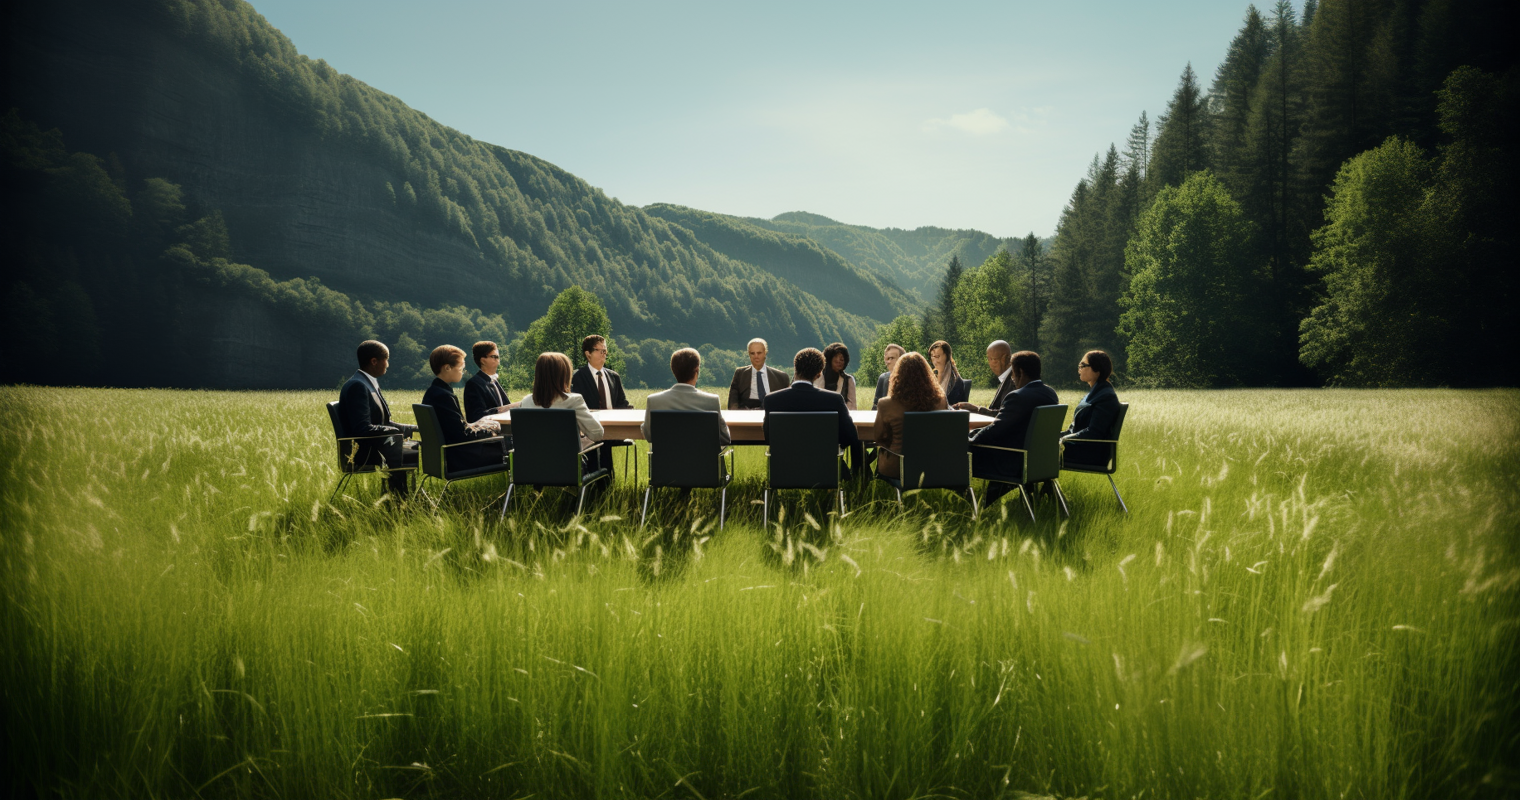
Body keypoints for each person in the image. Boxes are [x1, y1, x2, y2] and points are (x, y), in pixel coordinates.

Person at [968, 350, 1060, 502]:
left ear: (1021, 372)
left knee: (964, 452)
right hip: (1038, 461)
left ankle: (970, 504)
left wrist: (970, 440)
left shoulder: (1017, 396)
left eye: (1012, 374)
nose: (1012, 379)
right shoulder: (1050, 393)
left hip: (1012, 462)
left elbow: (995, 430)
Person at [337, 340, 418, 495]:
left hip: (376, 445)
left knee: (414, 445)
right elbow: (362, 428)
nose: (387, 364)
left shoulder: (368, 382)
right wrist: (394, 431)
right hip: (363, 451)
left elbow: (383, 423)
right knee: (410, 448)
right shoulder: (358, 386)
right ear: (374, 361)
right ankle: (400, 499)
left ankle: (403, 496)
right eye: (386, 360)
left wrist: (413, 428)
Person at [763, 347, 860, 476]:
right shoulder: (834, 400)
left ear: (795, 368)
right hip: (826, 469)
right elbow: (850, 436)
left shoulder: (772, 400)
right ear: (819, 373)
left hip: (785, 470)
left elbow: (769, 437)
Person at [421, 345, 508, 472]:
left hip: (451, 455)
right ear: (447, 367)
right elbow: (464, 436)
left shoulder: (434, 392)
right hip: (460, 458)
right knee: (509, 449)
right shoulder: (444, 397)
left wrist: (477, 425)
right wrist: (490, 429)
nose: (463, 371)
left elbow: (456, 429)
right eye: (461, 367)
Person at [872, 352, 948, 480]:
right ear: (927, 375)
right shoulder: (941, 401)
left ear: (898, 375)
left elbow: (878, 436)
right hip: (933, 465)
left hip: (897, 467)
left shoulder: (886, 404)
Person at [570, 334, 631, 477]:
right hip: (588, 430)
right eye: (600, 350)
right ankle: (596, 484)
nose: (604, 354)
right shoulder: (577, 377)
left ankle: (604, 484)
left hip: (613, 428)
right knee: (597, 449)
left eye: (605, 351)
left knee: (605, 449)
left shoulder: (613, 376)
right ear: (588, 354)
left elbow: (622, 403)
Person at [642, 347, 731, 446]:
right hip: (702, 461)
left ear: (673, 370)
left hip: (667, 461)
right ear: (696, 370)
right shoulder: (711, 401)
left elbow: (649, 436)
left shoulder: (654, 401)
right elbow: (725, 438)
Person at [518, 351, 604, 450]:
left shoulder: (525, 402)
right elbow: (597, 434)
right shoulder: (574, 401)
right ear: (564, 376)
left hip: (532, 464)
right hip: (567, 463)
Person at [1061, 350, 1121, 466]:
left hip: (1089, 453)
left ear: (1097, 370)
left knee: (1039, 450)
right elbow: (1075, 429)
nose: (1079, 369)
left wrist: (1063, 440)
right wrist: (1057, 436)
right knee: (1040, 444)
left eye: (1083, 365)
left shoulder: (1105, 396)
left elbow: (1094, 432)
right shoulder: (1094, 394)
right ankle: (1044, 483)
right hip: (1078, 447)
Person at [953, 340, 1015, 416]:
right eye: (989, 359)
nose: (990, 364)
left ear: (1006, 358)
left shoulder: (1014, 381)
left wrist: (977, 409)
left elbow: (1007, 415)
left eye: (993, 359)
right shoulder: (1007, 378)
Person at [728, 337, 791, 410]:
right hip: (746, 416)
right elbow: (732, 403)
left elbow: (786, 404)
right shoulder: (740, 374)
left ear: (765, 353)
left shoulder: (781, 377)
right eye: (752, 353)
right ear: (749, 355)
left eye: (759, 353)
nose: (756, 356)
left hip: (771, 416)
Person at [463, 340, 511, 423]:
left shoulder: (493, 381)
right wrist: (500, 410)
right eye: (494, 357)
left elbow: (507, 406)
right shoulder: (474, 384)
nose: (498, 360)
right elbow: (475, 417)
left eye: (498, 357)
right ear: (483, 360)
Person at [813, 342, 858, 409]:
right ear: (829, 358)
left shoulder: (849, 380)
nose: (839, 361)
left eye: (842, 358)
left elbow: (852, 405)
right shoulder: (816, 376)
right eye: (836, 356)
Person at [930, 340, 970, 407]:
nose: (935, 361)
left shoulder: (955, 381)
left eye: (937, 356)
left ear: (947, 356)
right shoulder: (931, 376)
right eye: (932, 356)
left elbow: (952, 406)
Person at [871, 343, 905, 410]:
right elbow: (876, 406)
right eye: (887, 359)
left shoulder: (912, 378)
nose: (888, 362)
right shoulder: (883, 378)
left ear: (902, 359)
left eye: (891, 358)